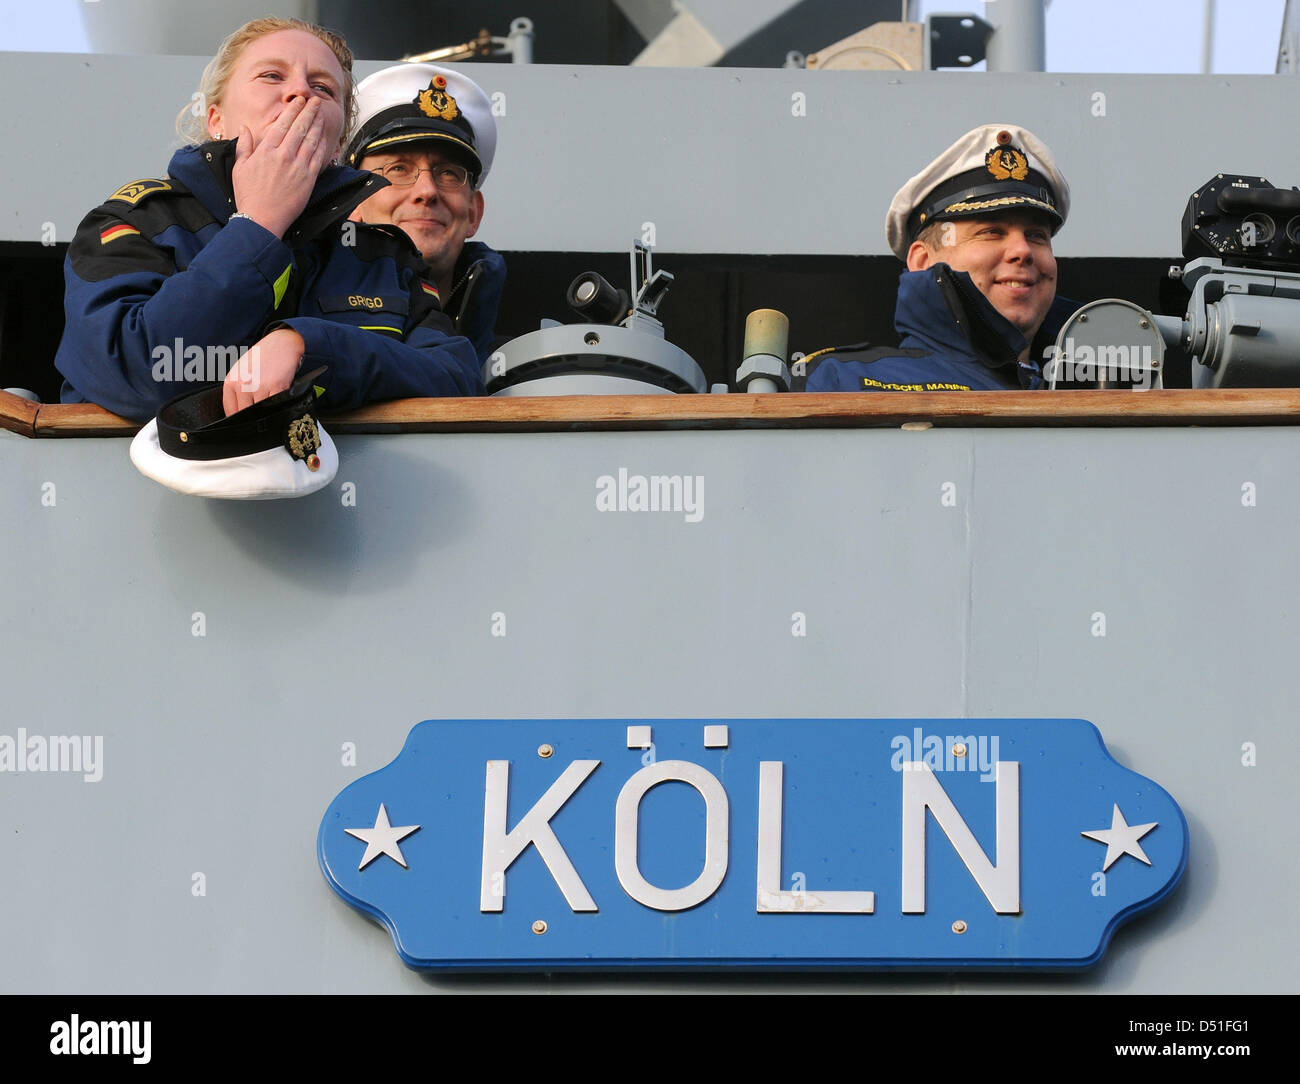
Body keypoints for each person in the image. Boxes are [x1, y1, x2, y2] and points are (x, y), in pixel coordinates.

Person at [54, 17, 482, 422]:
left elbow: (456, 380)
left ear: (338, 143)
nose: (302, 94)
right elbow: (138, 373)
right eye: (272, 76)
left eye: (323, 88)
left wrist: (309, 346)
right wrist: (258, 225)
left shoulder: (383, 259)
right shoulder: (135, 224)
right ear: (216, 119)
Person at [799, 124, 1075, 393]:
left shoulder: (1103, 388)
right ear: (923, 261)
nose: (1023, 251)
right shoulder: (840, 383)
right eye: (991, 232)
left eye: (1037, 236)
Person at [343, 64, 505, 364]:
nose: (427, 190)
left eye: (448, 173)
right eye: (399, 169)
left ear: (473, 212)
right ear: (353, 200)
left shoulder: (519, 357)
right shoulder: (301, 329)